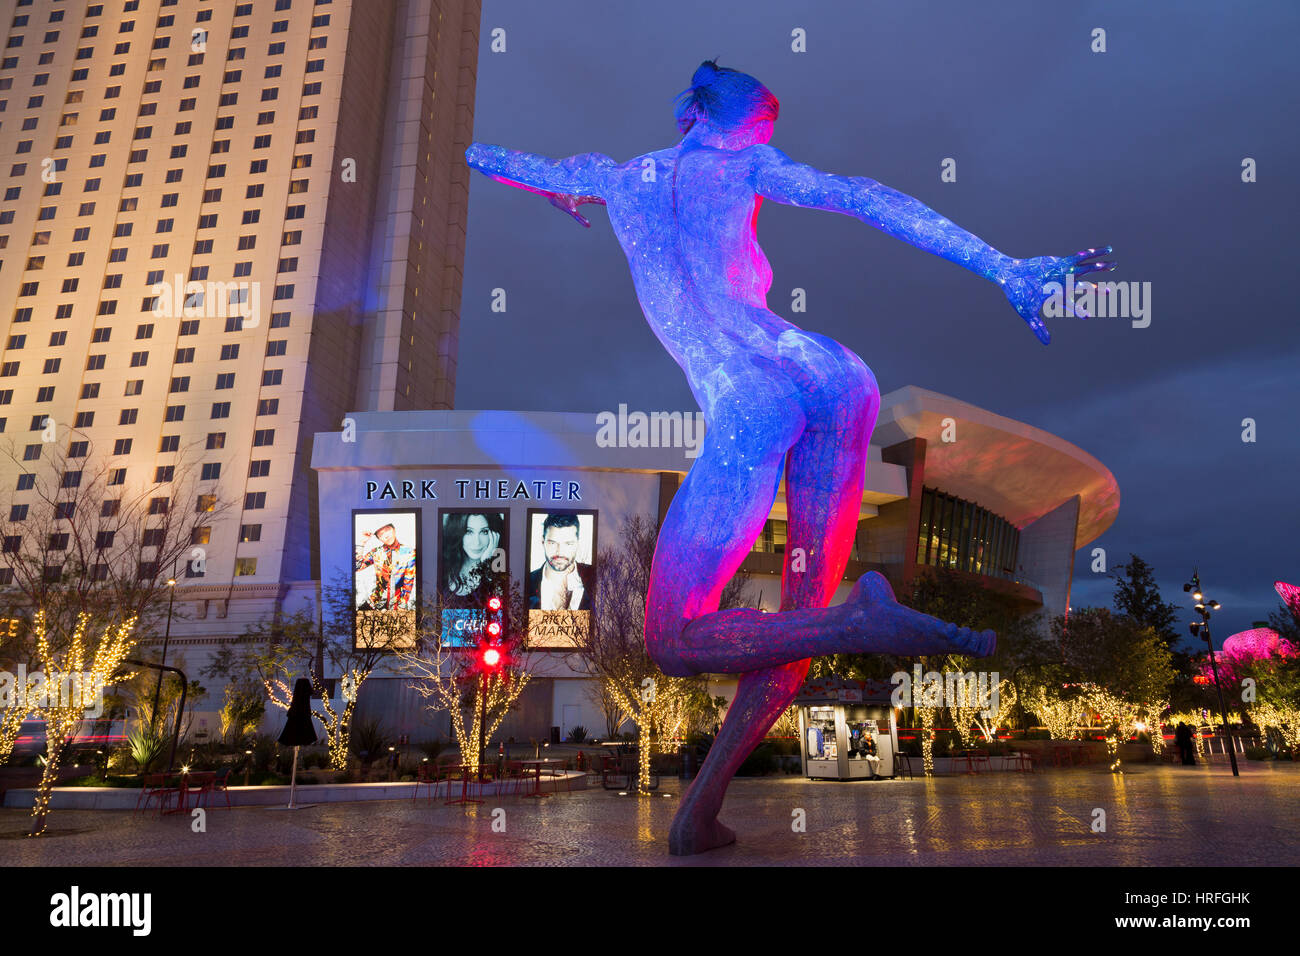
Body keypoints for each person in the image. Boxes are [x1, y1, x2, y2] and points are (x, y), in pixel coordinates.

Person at [466, 60, 1114, 855]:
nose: (764, 143)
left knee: (676, 639)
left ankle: (851, 626)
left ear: (689, 113)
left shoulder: (618, 178)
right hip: (832, 377)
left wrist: (557, 189)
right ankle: (702, 812)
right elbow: (865, 195)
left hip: (750, 402)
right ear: (728, 124)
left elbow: (492, 158)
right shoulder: (748, 167)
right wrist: (1002, 266)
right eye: (763, 129)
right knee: (793, 624)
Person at [527, 513, 596, 610]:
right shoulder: (528, 581)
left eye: (568, 544)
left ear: (578, 543)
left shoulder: (596, 576)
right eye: (552, 543)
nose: (559, 552)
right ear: (543, 541)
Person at [440, 512, 504, 599]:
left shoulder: (502, 566)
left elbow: (503, 604)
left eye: (484, 532)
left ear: (495, 535)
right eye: (468, 531)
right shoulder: (443, 565)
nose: (477, 542)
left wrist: (487, 565)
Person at [354, 522, 416, 610]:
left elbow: (408, 581)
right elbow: (356, 567)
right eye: (381, 534)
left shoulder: (409, 552)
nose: (386, 535)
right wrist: (362, 542)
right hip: (374, 602)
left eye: (387, 530)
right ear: (379, 539)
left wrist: (402, 606)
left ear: (394, 530)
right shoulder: (376, 552)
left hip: (397, 605)